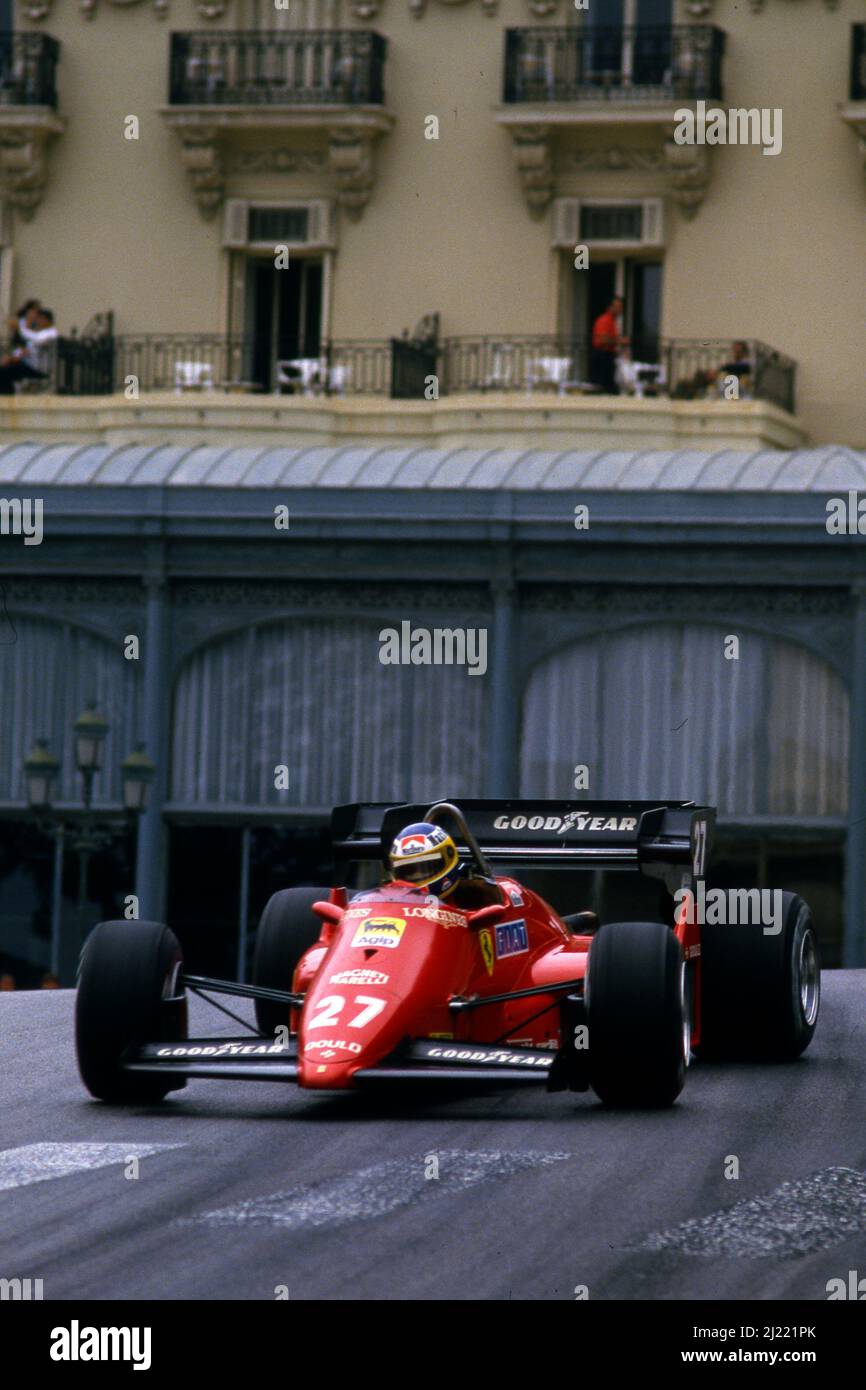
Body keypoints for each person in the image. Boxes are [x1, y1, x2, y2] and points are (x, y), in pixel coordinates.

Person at [387, 821, 501, 907]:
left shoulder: (479, 898)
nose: (417, 876)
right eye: (409, 872)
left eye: (425, 869)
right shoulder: (390, 902)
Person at [0, 305, 58, 394]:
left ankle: (7, 397)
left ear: (46, 320)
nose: (38, 322)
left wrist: (20, 328)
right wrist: (11, 358)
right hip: (31, 367)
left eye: (40, 319)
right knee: (5, 370)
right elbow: (28, 350)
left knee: (5, 372)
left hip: (39, 370)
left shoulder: (51, 333)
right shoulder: (41, 333)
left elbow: (36, 339)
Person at [590, 296, 628, 395]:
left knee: (610, 386)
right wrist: (620, 341)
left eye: (620, 307)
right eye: (617, 307)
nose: (620, 310)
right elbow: (602, 339)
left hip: (608, 356)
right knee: (603, 387)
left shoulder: (612, 322)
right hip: (602, 356)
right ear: (610, 307)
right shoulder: (604, 320)